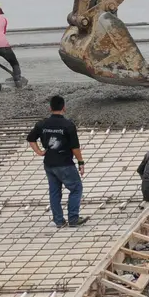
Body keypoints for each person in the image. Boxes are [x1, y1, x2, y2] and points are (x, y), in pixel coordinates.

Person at [27, 95, 88, 228]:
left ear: (50, 108)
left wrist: (39, 152)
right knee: (76, 188)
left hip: (49, 164)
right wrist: (81, 162)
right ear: (64, 108)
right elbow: (75, 147)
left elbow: (31, 138)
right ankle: (73, 218)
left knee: (54, 192)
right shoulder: (68, 125)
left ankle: (59, 221)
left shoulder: (42, 124)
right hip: (65, 163)